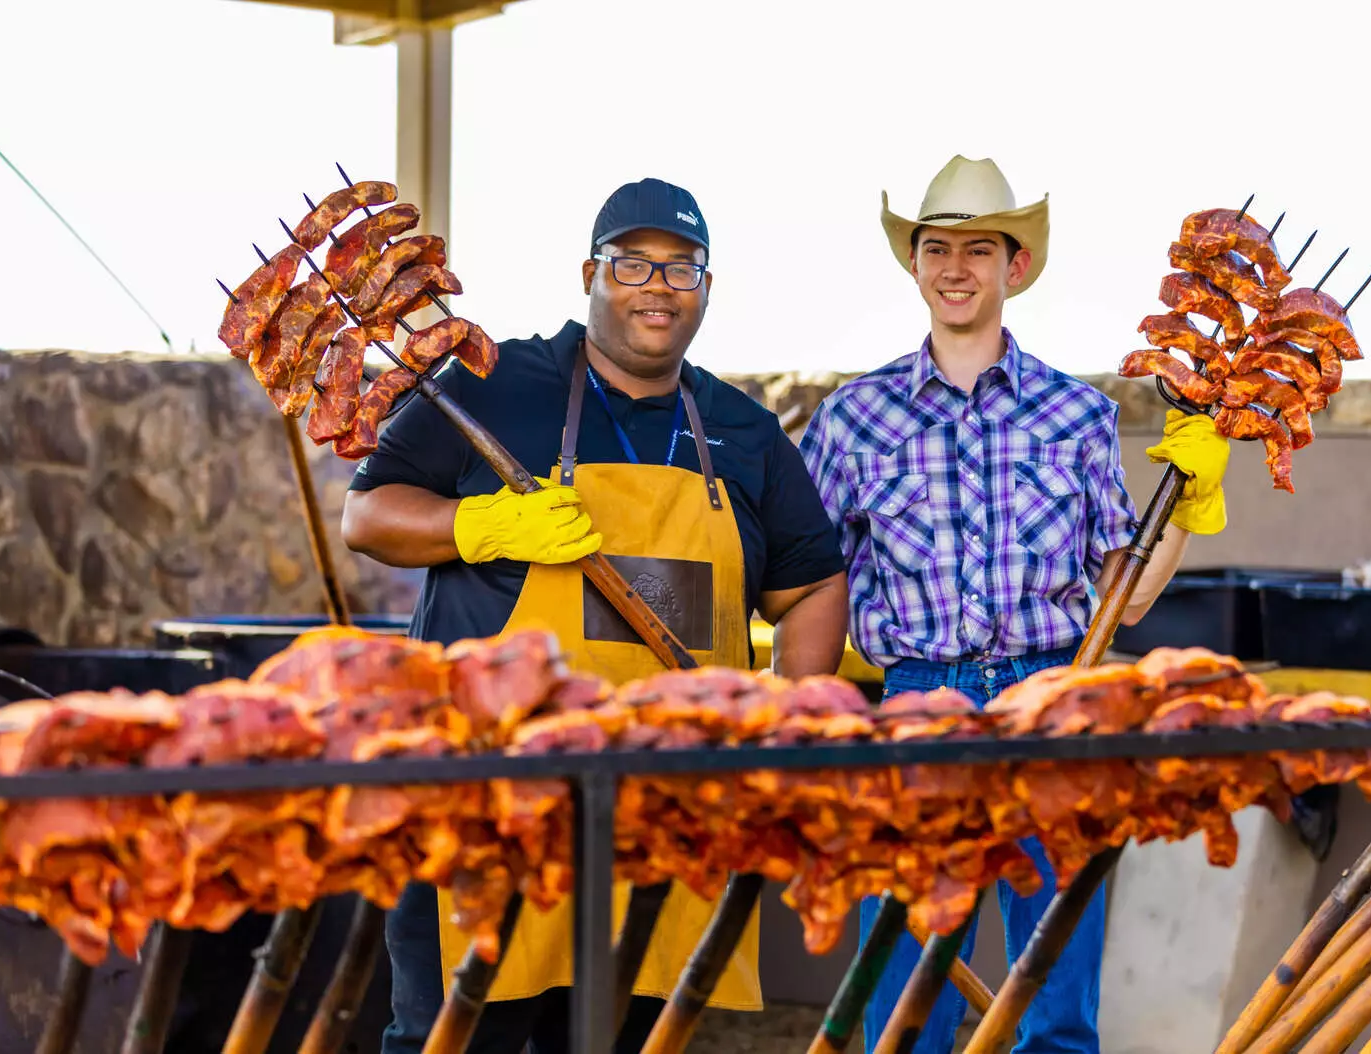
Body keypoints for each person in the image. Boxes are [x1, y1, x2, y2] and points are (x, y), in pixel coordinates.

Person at [343, 177, 850, 1054]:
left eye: (681, 268)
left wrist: (783, 723)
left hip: (663, 816)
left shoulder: (744, 431)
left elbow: (811, 588)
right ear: (590, 272)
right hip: (488, 799)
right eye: (633, 264)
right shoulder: (485, 390)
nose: (658, 286)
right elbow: (369, 515)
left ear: (706, 289)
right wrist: (480, 524)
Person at [797, 155, 1231, 1054]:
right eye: (938, 248)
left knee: (1057, 984)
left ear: (1015, 268)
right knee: (910, 984)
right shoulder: (850, 419)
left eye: (981, 249)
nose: (957, 267)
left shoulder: (1077, 416)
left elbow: (1127, 600)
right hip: (918, 701)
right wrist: (811, 719)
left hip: (1053, 696)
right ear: (913, 265)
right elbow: (809, 584)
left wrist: (1189, 508)